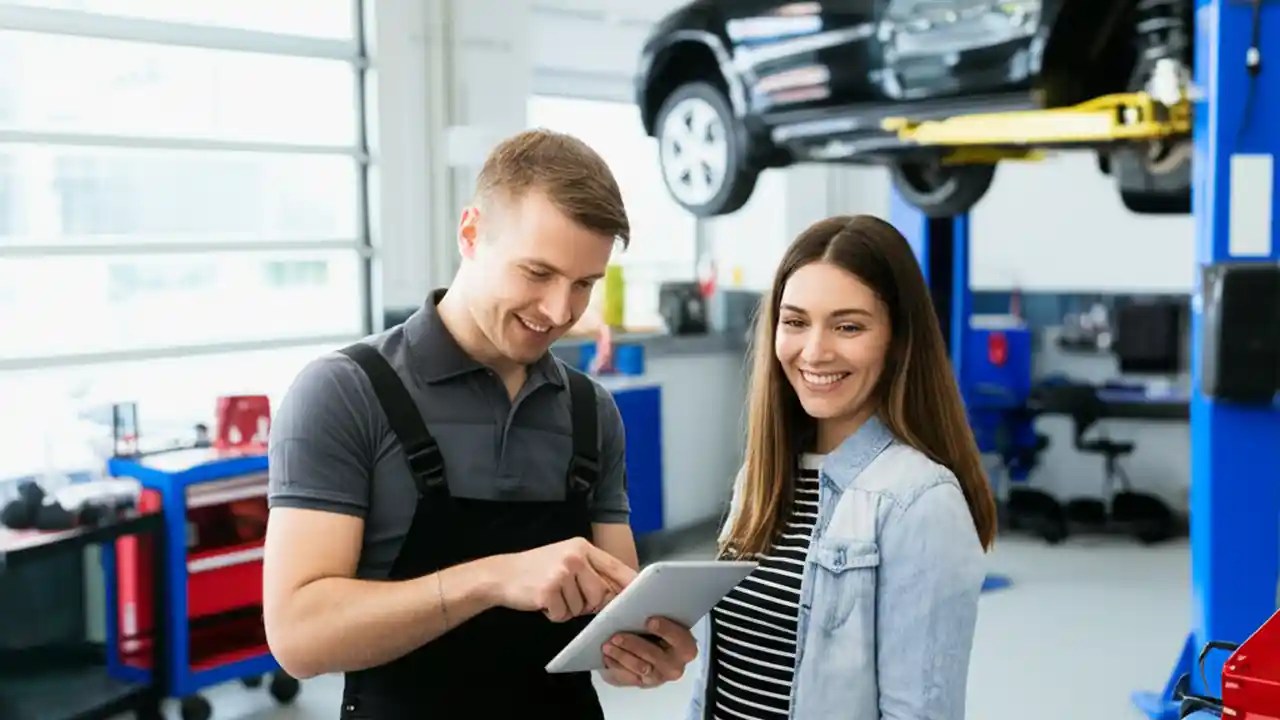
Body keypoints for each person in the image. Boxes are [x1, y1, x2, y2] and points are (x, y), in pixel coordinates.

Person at [262, 128, 696, 719]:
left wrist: (641, 653)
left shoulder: (592, 413)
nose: (559, 312)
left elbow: (611, 614)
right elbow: (298, 638)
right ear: (470, 233)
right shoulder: (344, 393)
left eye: (583, 285)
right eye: (536, 273)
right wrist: (493, 579)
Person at [685, 215, 998, 720]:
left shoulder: (919, 500)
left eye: (848, 326)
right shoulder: (761, 477)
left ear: (897, 340)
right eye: (795, 321)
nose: (814, 351)